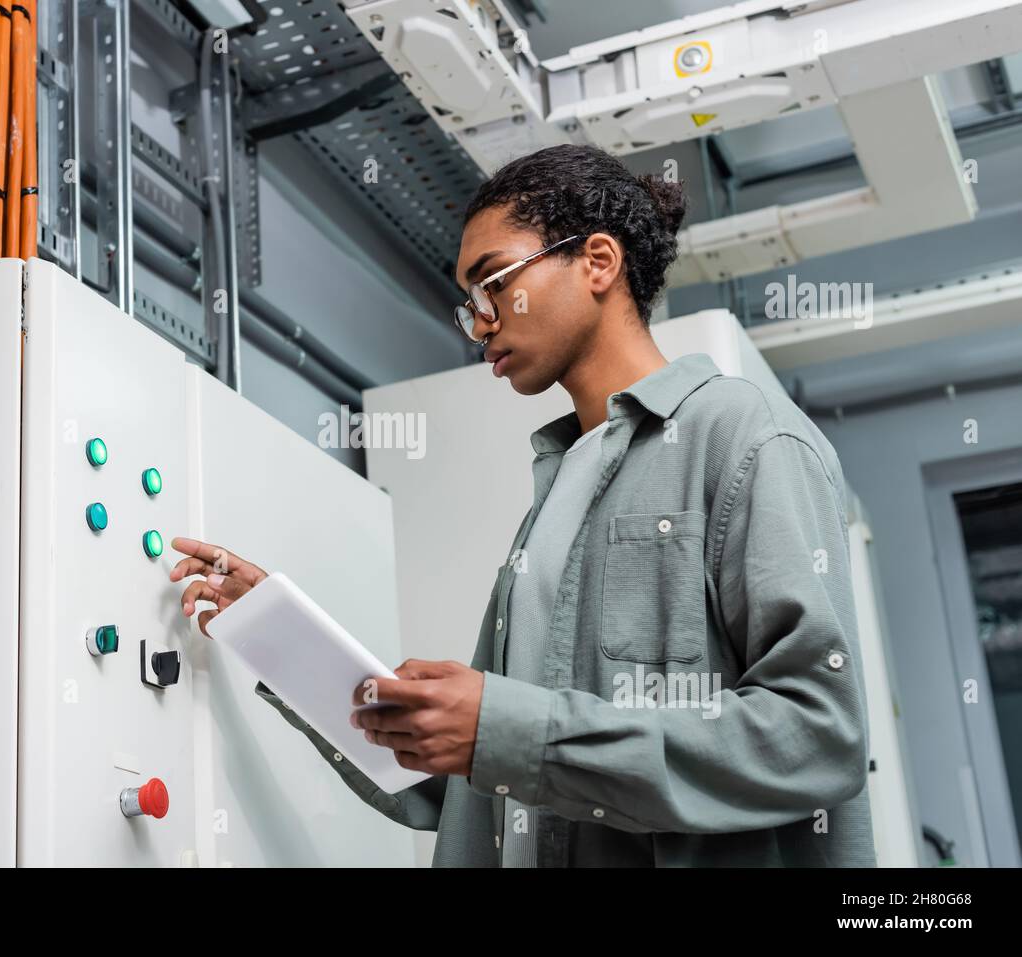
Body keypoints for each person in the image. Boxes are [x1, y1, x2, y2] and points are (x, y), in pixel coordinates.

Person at [169, 143, 876, 867]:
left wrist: (508, 730)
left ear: (598, 262)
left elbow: (817, 736)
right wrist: (279, 635)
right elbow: (462, 780)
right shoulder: (557, 491)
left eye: (495, 283)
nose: (480, 324)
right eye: (469, 302)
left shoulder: (747, 436)